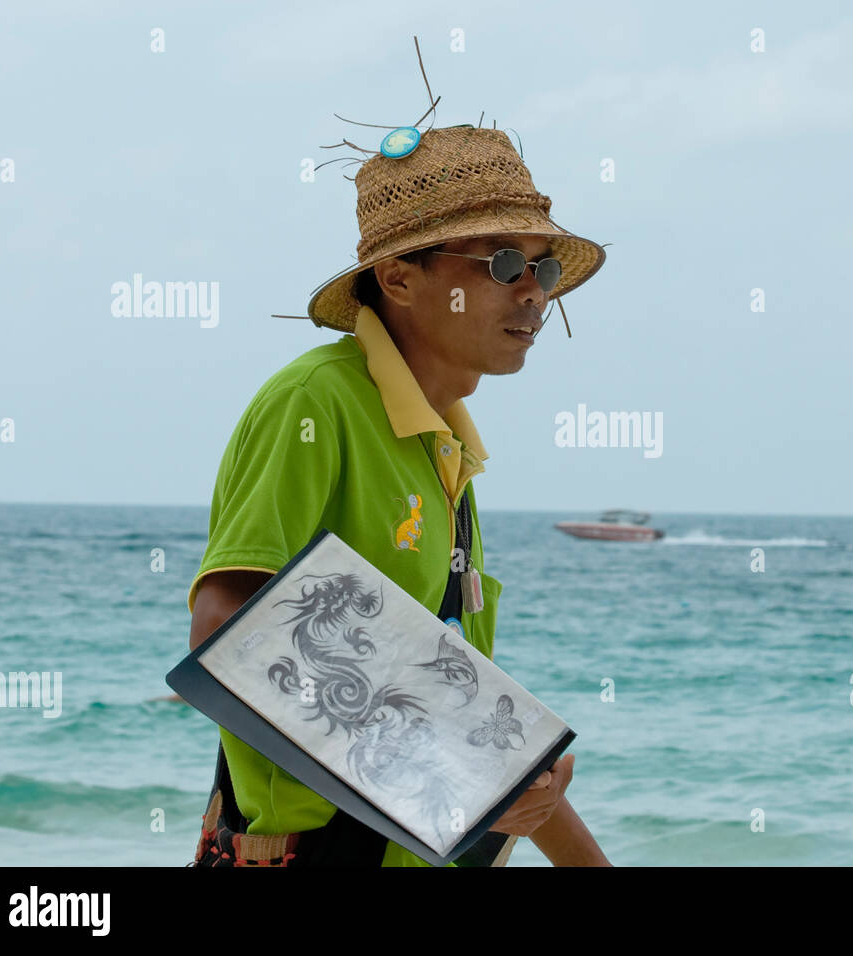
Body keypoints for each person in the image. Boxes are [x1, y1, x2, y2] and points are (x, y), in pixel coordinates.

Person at [186, 121, 611, 867]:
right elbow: (224, 630)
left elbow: (463, 720)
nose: (532, 294)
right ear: (401, 278)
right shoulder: (315, 402)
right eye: (503, 262)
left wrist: (518, 797)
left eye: (542, 271)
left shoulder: (446, 451)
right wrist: (472, 775)